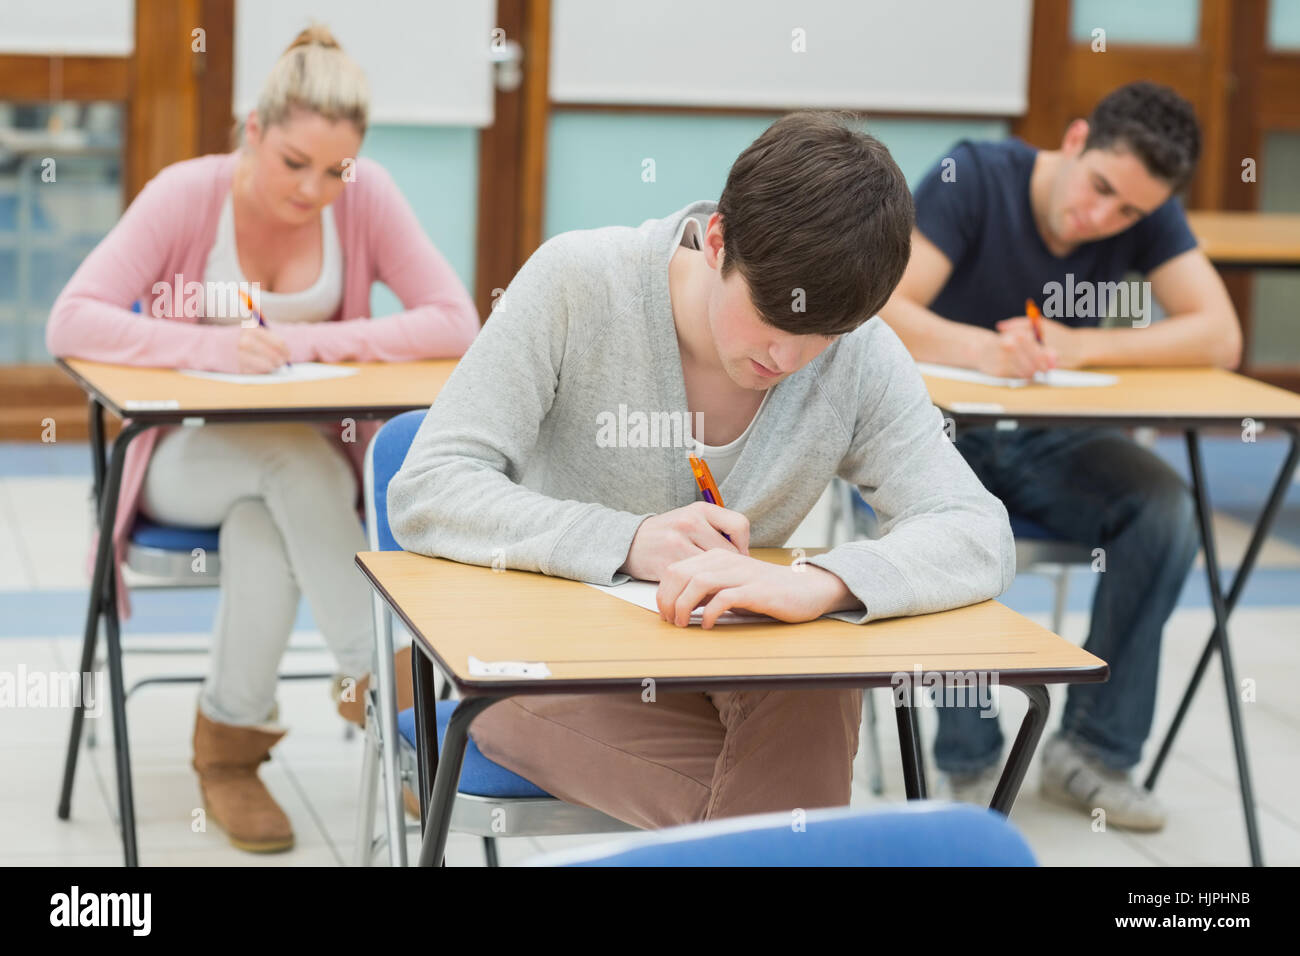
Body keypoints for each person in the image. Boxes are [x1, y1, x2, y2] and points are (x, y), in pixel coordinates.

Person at [387, 111, 1016, 829]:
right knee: (789, 829)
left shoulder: (859, 352)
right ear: (716, 240)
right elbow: (430, 487)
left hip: (723, 662)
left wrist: (821, 583)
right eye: (772, 320)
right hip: (541, 660)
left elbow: (976, 530)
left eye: (822, 336)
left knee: (819, 681)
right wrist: (626, 540)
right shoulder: (580, 283)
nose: (789, 360)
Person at [46, 25, 479, 852]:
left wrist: (314, 342)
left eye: (335, 170)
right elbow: (73, 317)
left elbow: (454, 321)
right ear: (253, 129)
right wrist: (211, 349)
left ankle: (229, 749)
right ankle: (389, 694)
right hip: (181, 459)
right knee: (288, 457)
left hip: (296, 481)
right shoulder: (186, 193)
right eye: (293, 163)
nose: (315, 189)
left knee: (266, 517)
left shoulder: (367, 196)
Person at [878, 81, 1240, 831]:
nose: (1103, 217)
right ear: (1075, 140)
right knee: (951, 520)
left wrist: (1082, 345)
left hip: (1048, 435)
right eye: (1101, 188)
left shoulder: (1146, 202)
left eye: (1129, 213)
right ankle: (969, 764)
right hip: (938, 434)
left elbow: (1220, 333)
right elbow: (885, 307)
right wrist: (984, 347)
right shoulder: (974, 175)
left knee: (1163, 508)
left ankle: (1093, 753)